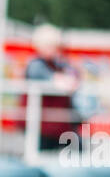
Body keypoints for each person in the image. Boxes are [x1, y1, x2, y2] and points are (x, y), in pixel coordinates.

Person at [23, 23, 82, 152]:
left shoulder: (58, 64)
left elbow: (73, 78)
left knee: (78, 151)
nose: (56, 50)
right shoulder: (36, 66)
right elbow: (61, 83)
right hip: (43, 128)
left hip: (59, 126)